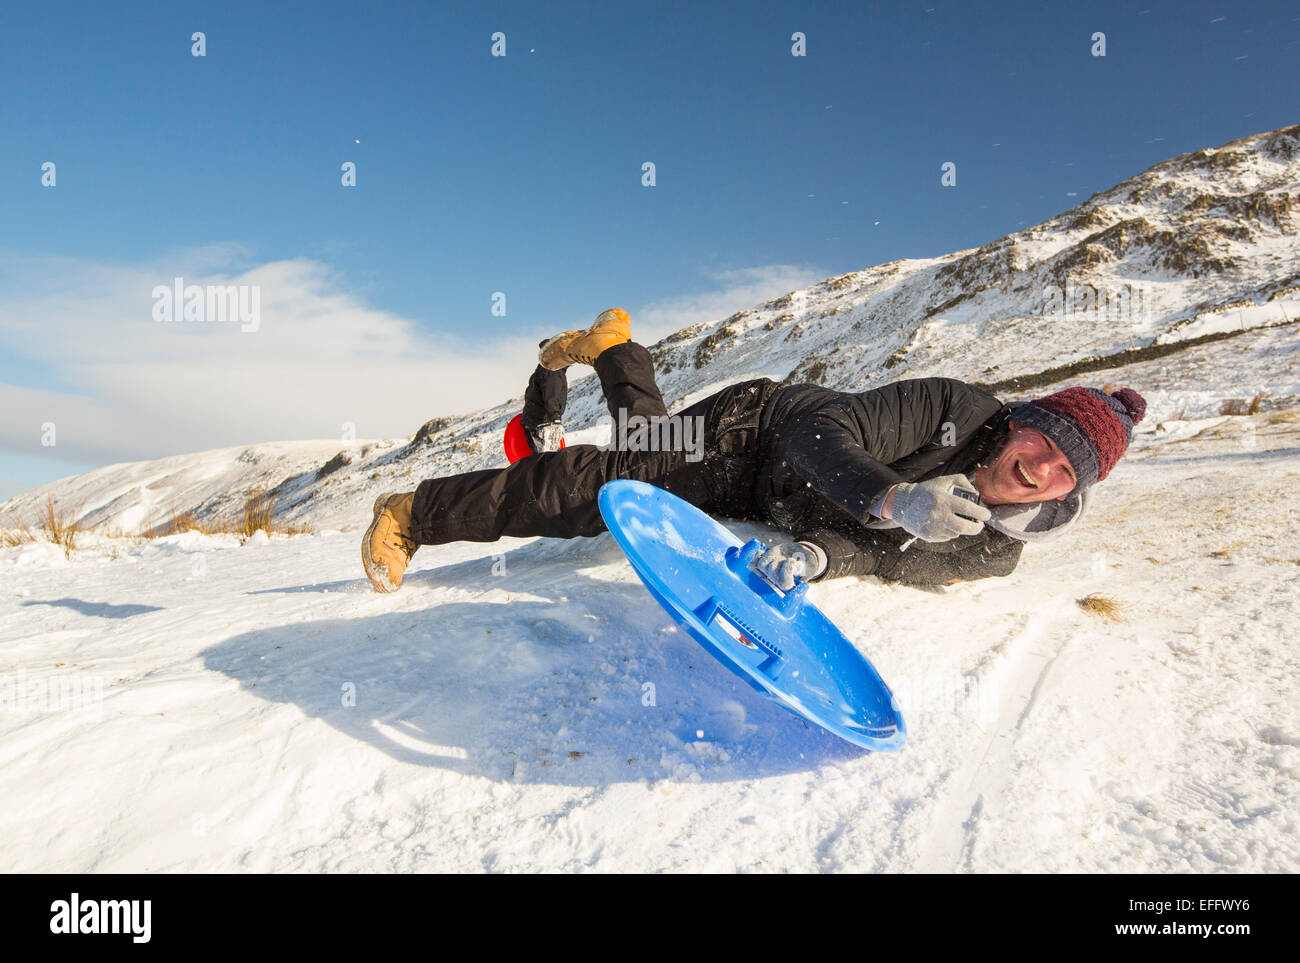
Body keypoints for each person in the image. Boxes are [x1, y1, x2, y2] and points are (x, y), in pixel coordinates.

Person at [362, 308, 1146, 593]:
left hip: (767, 502)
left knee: (639, 436)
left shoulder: (992, 554)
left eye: (1065, 469)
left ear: (1067, 493)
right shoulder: (953, 407)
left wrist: (820, 555)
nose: (1041, 466)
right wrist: (894, 498)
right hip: (752, 429)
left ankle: (613, 349)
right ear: (1020, 424)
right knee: (606, 485)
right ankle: (411, 514)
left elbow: (888, 560)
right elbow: (821, 433)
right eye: (1045, 439)